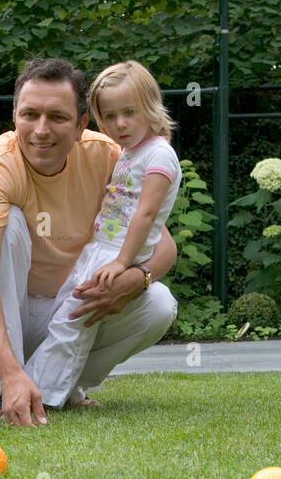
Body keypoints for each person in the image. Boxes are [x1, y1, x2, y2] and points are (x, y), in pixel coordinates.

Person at [0, 57, 179, 425]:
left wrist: (136, 277)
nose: (41, 129)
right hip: (4, 312)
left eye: (57, 117)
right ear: (14, 115)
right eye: (30, 114)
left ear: (80, 125)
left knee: (160, 304)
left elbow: (163, 245)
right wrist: (8, 375)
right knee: (7, 225)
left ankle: (63, 384)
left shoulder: (110, 156)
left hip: (72, 308)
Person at [27, 60, 182, 407]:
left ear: (151, 106)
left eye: (129, 112)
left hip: (114, 254)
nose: (120, 124)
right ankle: (58, 389)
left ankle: (42, 395)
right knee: (67, 320)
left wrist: (123, 262)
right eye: (109, 116)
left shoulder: (159, 155)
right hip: (101, 250)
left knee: (72, 324)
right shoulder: (131, 152)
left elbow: (146, 215)